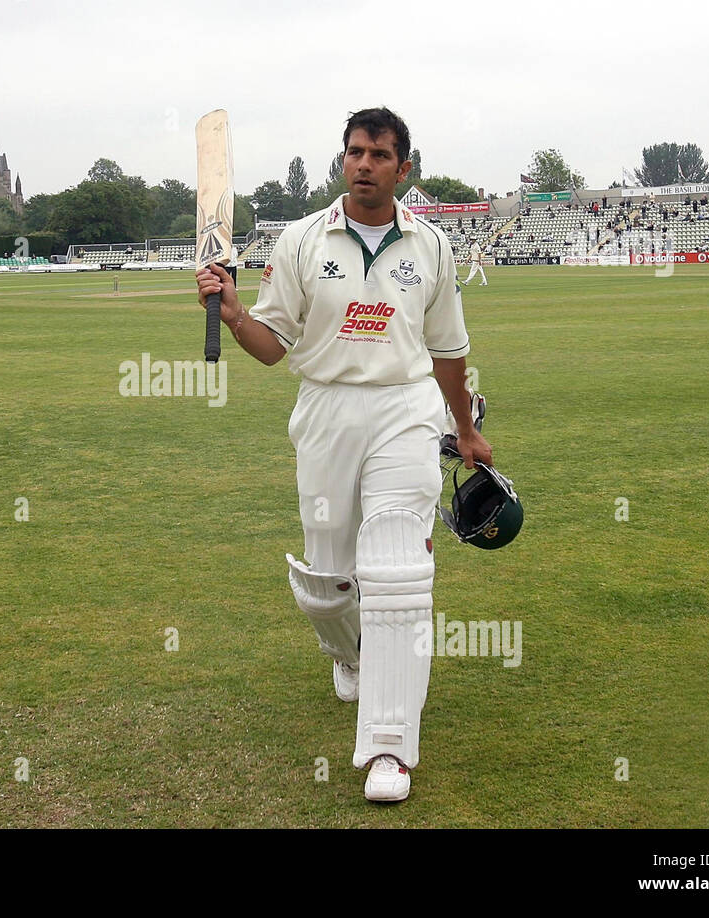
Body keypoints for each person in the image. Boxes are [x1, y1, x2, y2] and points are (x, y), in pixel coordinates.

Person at [196, 107, 492, 804]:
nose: (364, 164)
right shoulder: (302, 240)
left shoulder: (432, 248)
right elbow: (274, 346)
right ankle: (347, 650)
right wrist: (237, 315)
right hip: (326, 410)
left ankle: (388, 748)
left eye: (380, 155)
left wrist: (466, 428)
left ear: (403, 168)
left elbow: (449, 352)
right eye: (355, 152)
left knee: (396, 569)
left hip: (404, 409)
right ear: (343, 160)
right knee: (326, 579)